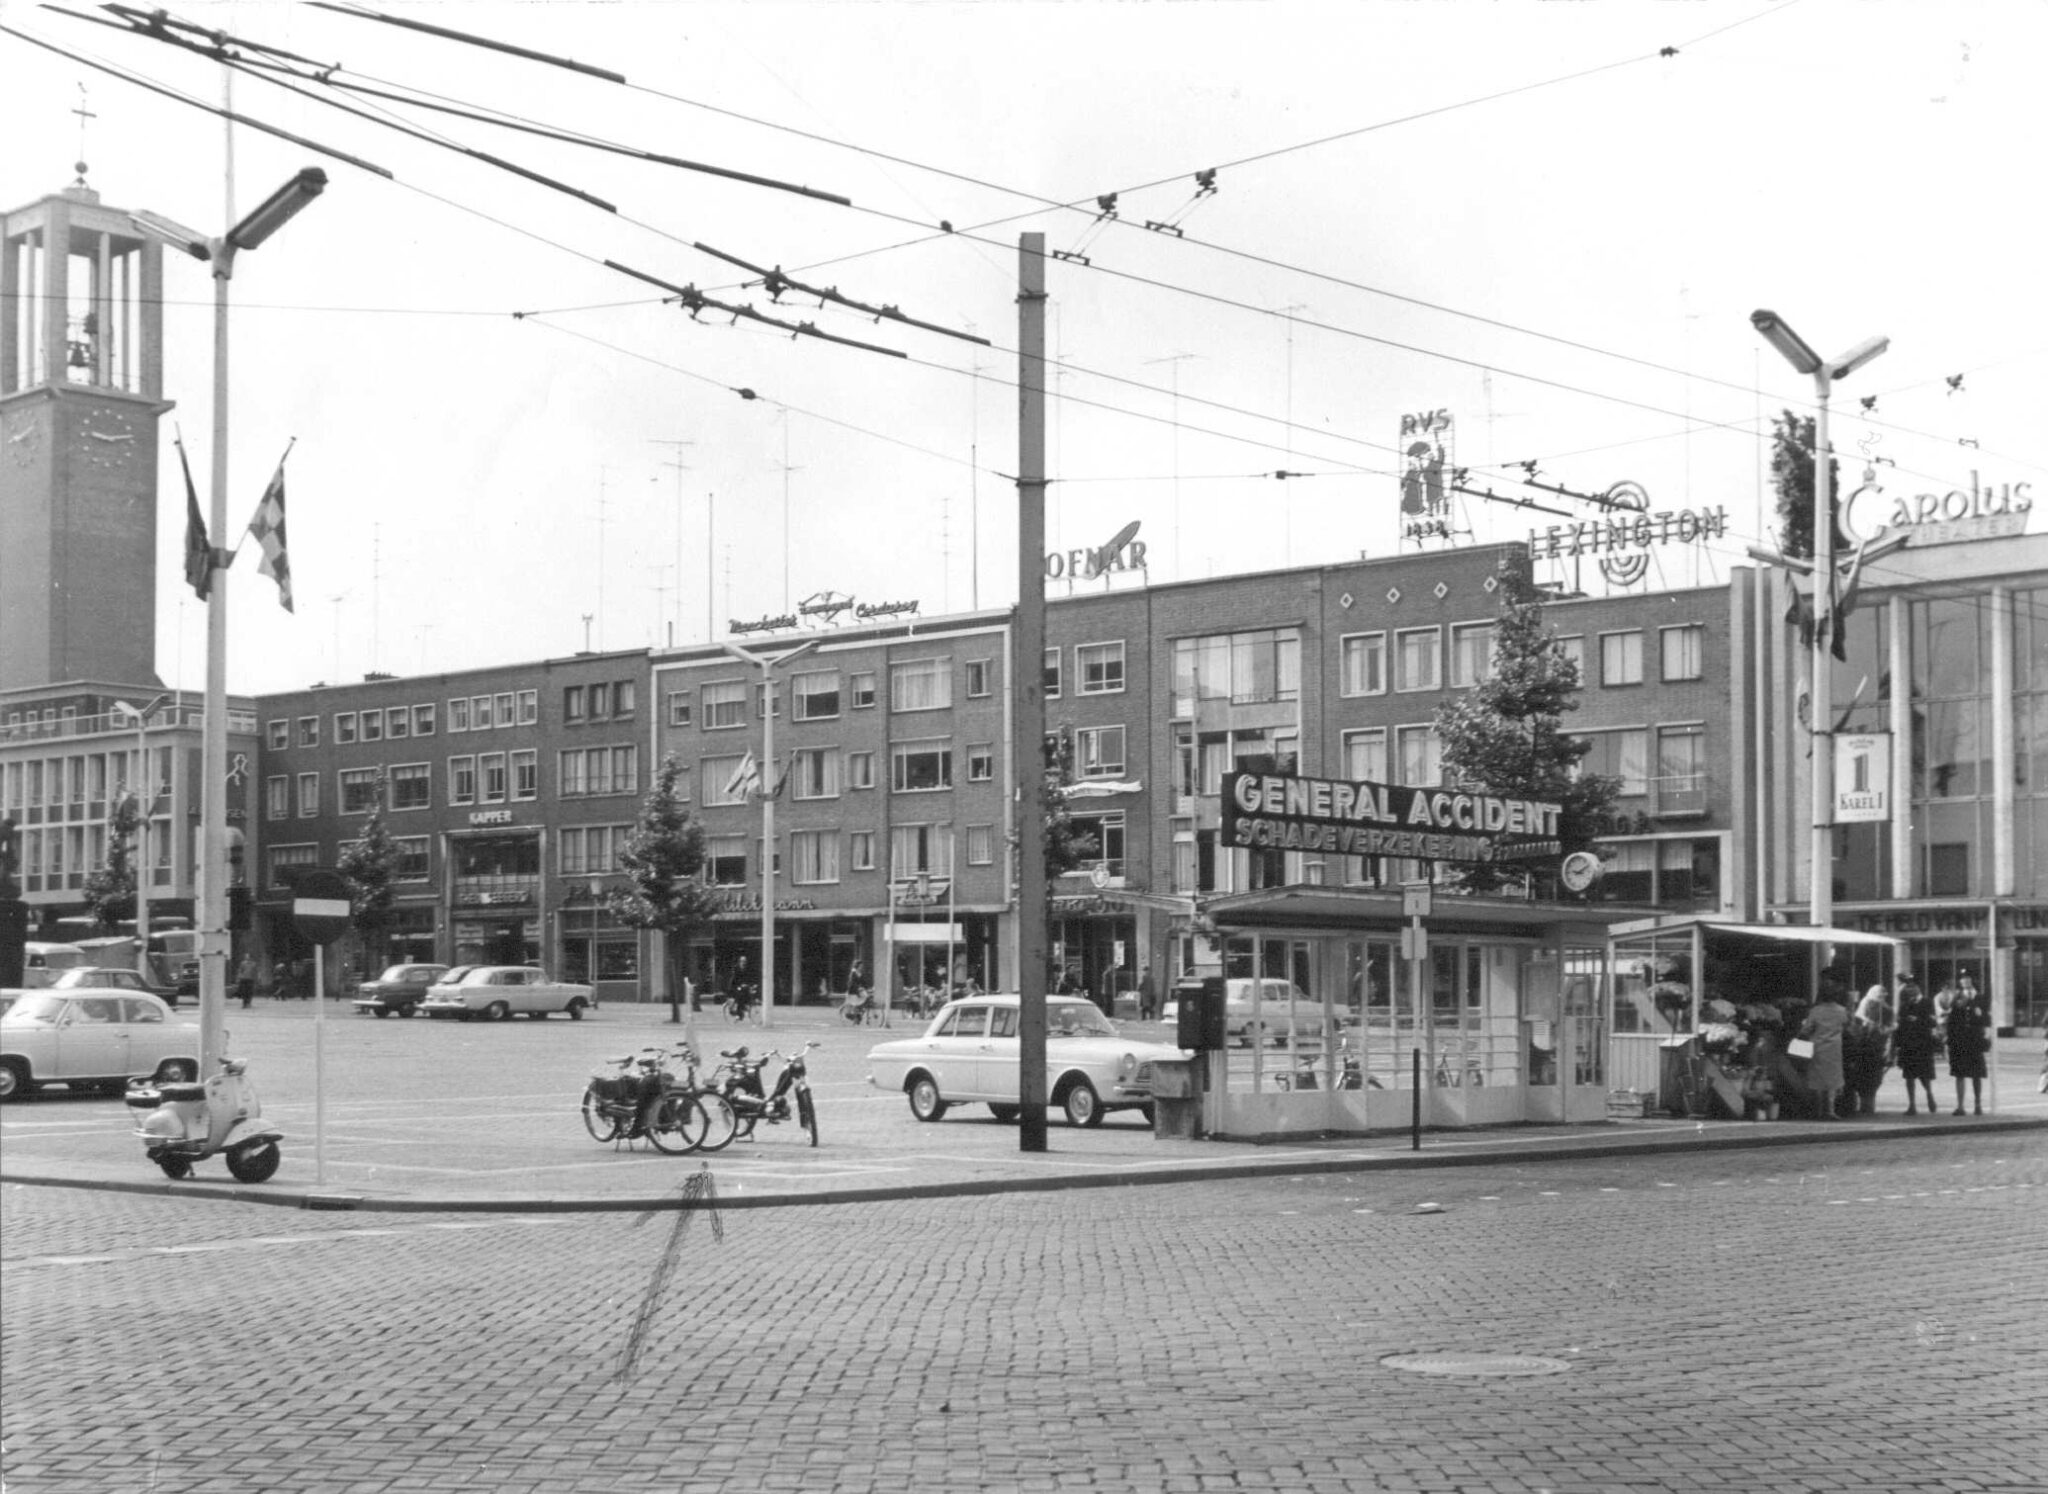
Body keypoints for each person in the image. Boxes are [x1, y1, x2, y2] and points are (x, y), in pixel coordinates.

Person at [1798, 983, 1850, 1119]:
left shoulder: (1815, 1011)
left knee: (1817, 1079)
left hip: (1818, 1047)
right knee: (1833, 1079)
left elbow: (1807, 1029)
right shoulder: (1841, 1010)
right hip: (1834, 1049)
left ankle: (1817, 1110)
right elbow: (1846, 1026)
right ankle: (1830, 1111)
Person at [1893, 978, 1939, 1115]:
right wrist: (1897, 1044)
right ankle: (1911, 1104)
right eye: (1908, 989)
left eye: (1912, 988)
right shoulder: (1905, 1004)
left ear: (1918, 989)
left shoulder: (1927, 1002)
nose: (1910, 991)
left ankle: (1929, 1095)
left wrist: (1918, 1020)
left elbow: (1932, 1022)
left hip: (1923, 1043)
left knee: (1924, 1074)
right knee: (1909, 1076)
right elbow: (1900, 1023)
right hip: (1908, 1044)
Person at [1945, 978, 1990, 1115]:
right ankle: (1960, 1106)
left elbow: (1987, 1019)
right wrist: (1949, 1040)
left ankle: (1978, 1105)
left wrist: (1981, 1015)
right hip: (1959, 1041)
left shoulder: (1980, 997)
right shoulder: (1957, 997)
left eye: (1968, 979)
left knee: (1976, 1074)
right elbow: (1951, 1019)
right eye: (1963, 979)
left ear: (1972, 981)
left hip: (1975, 1040)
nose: (1965, 982)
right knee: (1959, 1074)